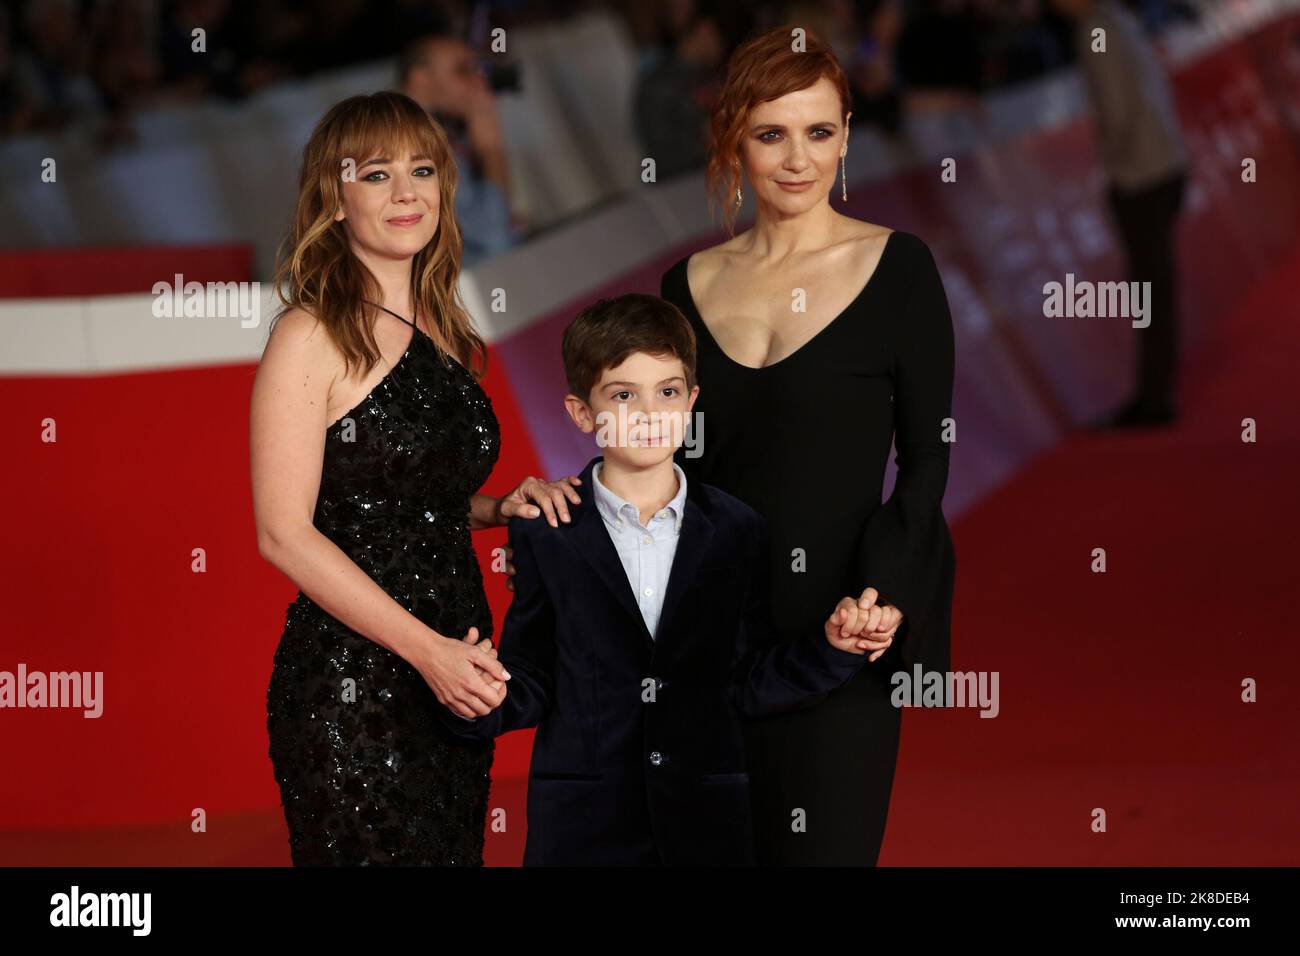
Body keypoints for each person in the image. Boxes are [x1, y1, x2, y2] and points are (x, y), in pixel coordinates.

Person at [439, 294, 890, 865]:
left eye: (668, 392)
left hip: (706, 826)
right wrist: (480, 697)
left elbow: (746, 681)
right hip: (584, 831)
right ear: (582, 413)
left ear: (692, 401)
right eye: (623, 395)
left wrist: (832, 649)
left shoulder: (737, 529)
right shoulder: (546, 531)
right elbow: (537, 677)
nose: (649, 414)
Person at [251, 91, 577, 866]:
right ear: (334, 199)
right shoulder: (311, 334)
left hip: (454, 681)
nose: (406, 192)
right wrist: (427, 652)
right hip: (355, 689)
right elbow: (283, 532)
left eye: (422, 170)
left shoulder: (444, 326)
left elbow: (399, 500)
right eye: (375, 174)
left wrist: (499, 506)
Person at [658, 26, 957, 865]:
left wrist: (881, 594)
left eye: (819, 132)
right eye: (771, 134)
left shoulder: (898, 268)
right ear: (733, 141)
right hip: (711, 633)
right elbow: (662, 467)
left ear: (847, 138)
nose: (798, 159)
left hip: (842, 627)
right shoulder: (683, 286)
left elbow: (927, 457)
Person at [1052, 0, 1190, 427]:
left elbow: (1116, 110)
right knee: (1157, 286)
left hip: (1140, 175)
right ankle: (1156, 389)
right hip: (1165, 163)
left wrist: (1113, 166)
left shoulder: (1096, 31)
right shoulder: (1119, 19)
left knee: (1149, 289)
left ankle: (1154, 398)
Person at [399, 34, 516, 266]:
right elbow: (493, 237)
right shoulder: (412, 142)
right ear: (420, 80)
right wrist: (491, 149)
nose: (478, 81)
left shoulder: (434, 132)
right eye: (462, 70)